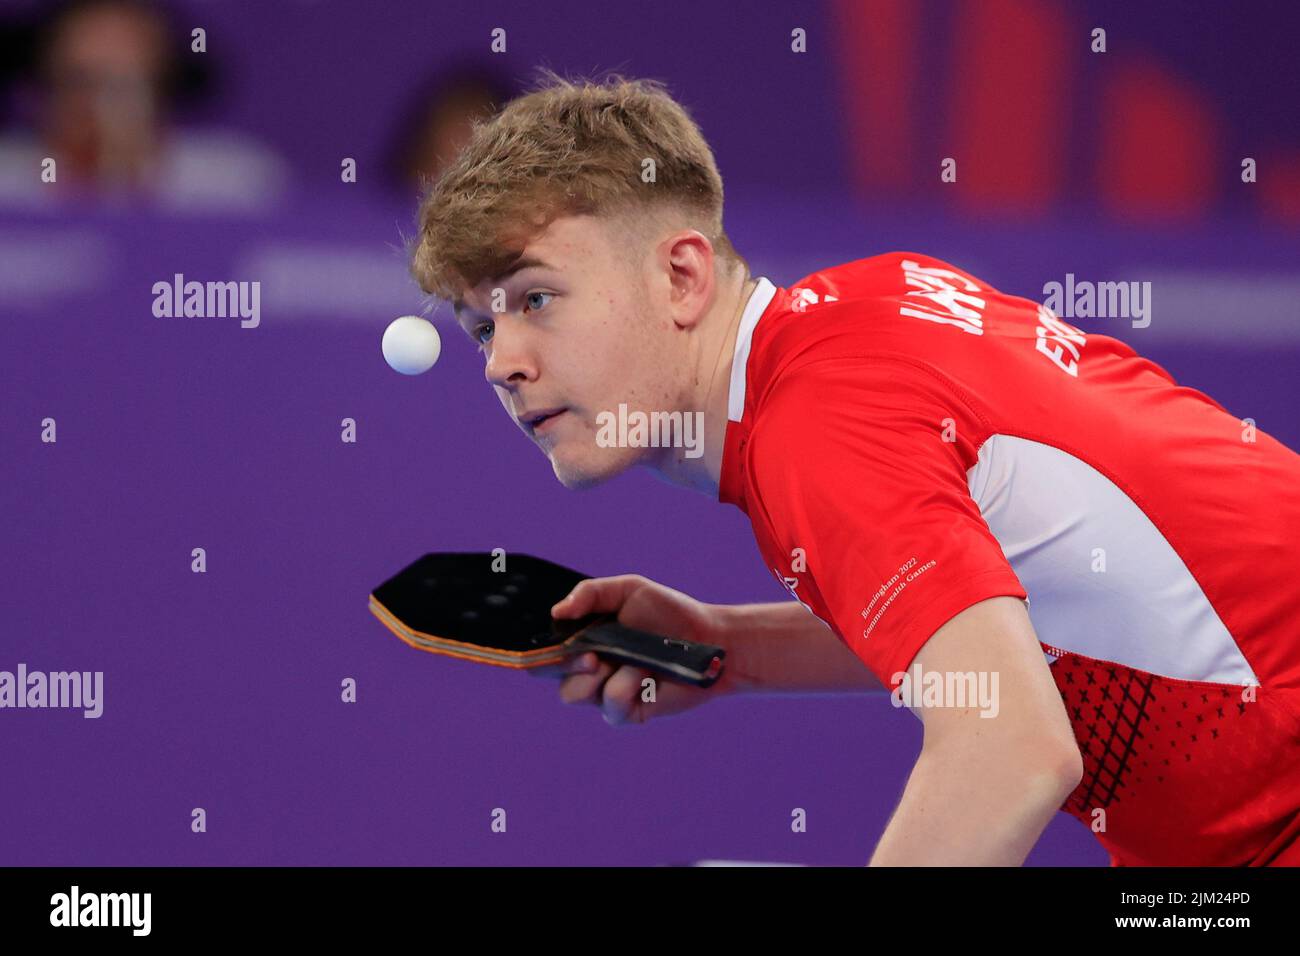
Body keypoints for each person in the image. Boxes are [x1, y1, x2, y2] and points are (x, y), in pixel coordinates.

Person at [407, 71, 1300, 867]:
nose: (501, 362)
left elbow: (1010, 747)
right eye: (483, 326)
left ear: (681, 277)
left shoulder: (816, 431)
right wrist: (731, 646)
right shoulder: (860, 307)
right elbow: (998, 609)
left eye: (536, 299)